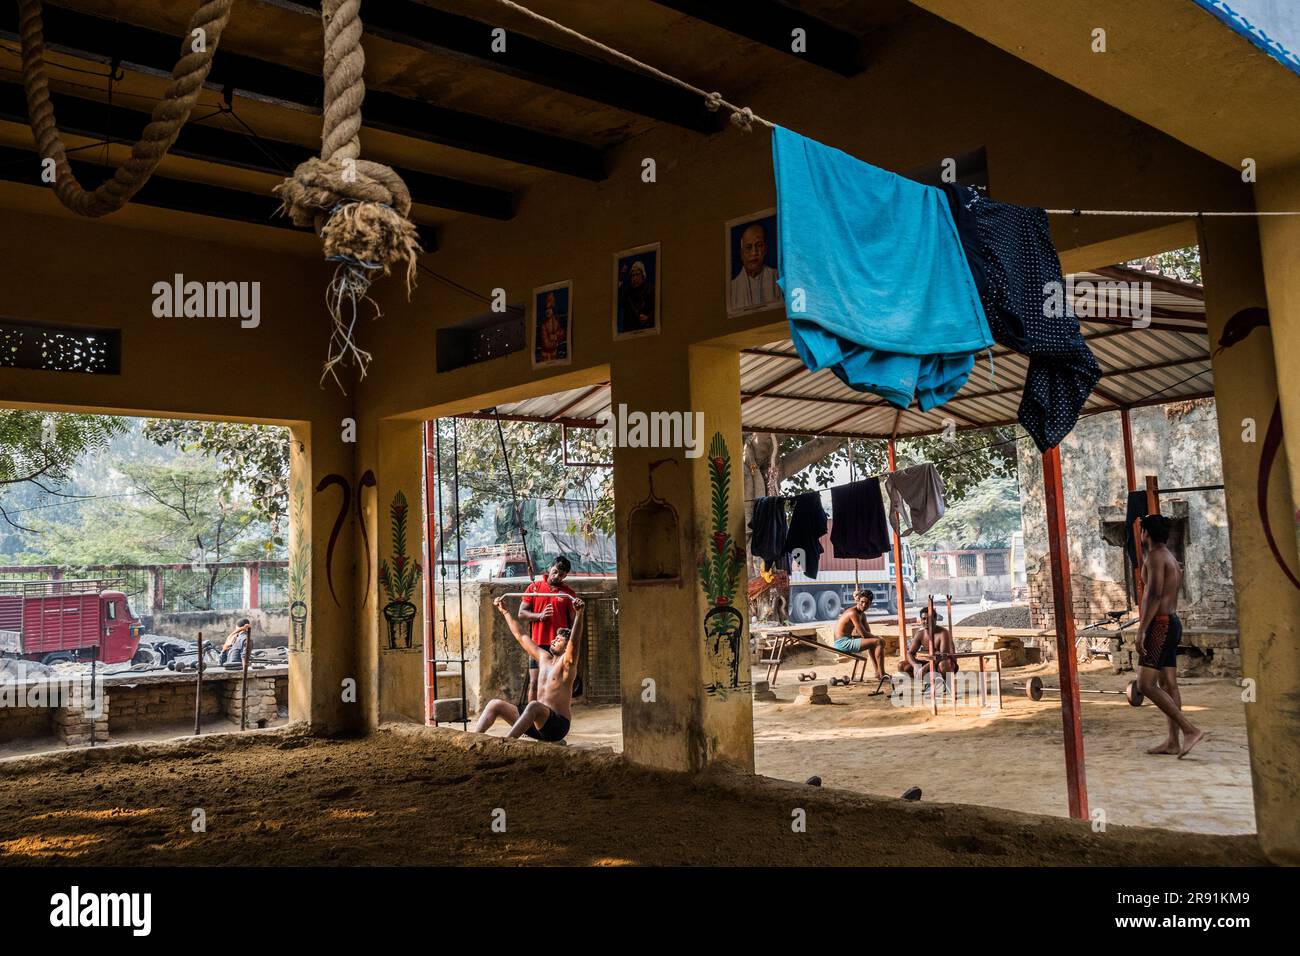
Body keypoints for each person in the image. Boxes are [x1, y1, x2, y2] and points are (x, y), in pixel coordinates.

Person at [1135, 514, 1204, 758]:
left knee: (1145, 684)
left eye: (1142, 531)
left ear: (1146, 534)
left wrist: (1142, 629)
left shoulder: (1154, 557)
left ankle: (1189, 730)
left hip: (1160, 625)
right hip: (1172, 622)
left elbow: (1152, 595)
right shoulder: (1170, 558)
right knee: (1168, 683)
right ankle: (1173, 742)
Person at [473, 595, 584, 742]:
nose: (554, 640)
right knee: (495, 704)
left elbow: (574, 642)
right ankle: (473, 739)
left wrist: (579, 614)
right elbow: (521, 636)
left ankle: (507, 744)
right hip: (536, 723)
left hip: (556, 726)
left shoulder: (566, 665)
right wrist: (505, 612)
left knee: (534, 706)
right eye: (555, 638)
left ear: (566, 648)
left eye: (559, 640)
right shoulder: (544, 658)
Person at [518, 556, 577, 702]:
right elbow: (521, 613)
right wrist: (540, 616)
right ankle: (531, 717)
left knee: (556, 683)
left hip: (558, 646)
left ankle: (550, 714)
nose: (557, 576)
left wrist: (571, 643)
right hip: (537, 644)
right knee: (534, 682)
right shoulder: (534, 588)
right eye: (555, 571)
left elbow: (573, 620)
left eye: (562, 574)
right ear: (550, 568)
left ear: (565, 575)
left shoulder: (568, 594)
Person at [832, 590, 886, 680]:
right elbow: (864, 634)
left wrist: (875, 638)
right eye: (862, 602)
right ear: (858, 600)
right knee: (878, 642)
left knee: (875, 643)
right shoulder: (853, 613)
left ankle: (878, 673)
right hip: (841, 643)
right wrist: (879, 639)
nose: (864, 605)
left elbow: (868, 632)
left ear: (871, 604)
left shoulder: (862, 615)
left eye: (867, 603)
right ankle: (882, 674)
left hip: (847, 640)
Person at [729, 221, 781, 311]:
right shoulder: (733, 289)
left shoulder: (777, 277)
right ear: (741, 254)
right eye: (748, 247)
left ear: (765, 249)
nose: (754, 253)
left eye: (759, 245)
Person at [899, 607, 956, 682]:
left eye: (929, 619)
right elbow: (910, 653)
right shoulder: (920, 634)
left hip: (943, 662)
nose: (926, 621)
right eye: (923, 619)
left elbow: (943, 656)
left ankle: (944, 682)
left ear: (935, 619)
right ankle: (927, 680)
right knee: (902, 665)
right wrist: (916, 665)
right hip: (928, 662)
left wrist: (924, 668)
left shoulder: (943, 633)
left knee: (943, 665)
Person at [618, 259, 655, 332]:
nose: (634, 278)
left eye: (637, 274)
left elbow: (658, 309)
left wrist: (648, 318)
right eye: (632, 275)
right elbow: (620, 301)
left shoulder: (651, 289)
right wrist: (621, 278)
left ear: (643, 276)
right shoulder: (628, 293)